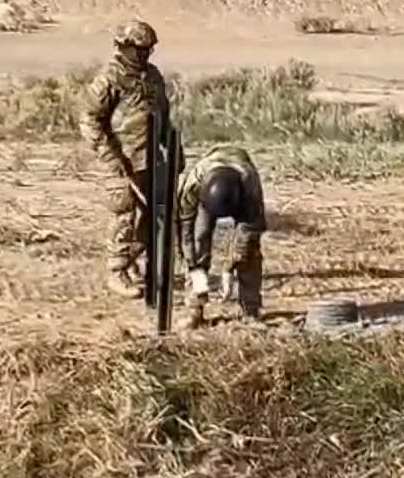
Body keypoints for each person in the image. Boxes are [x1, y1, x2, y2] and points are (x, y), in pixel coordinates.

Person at [79, 19, 181, 299]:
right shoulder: (109, 79)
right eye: (140, 49)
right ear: (124, 47)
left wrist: (173, 150)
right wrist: (110, 157)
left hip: (148, 158)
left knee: (152, 215)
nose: (146, 54)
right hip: (120, 158)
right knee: (124, 212)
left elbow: (163, 117)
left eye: (149, 49)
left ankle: (134, 263)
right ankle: (116, 271)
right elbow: (90, 120)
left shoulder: (153, 76)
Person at [176, 144, 267, 328]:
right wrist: (193, 267)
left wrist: (229, 268)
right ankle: (195, 308)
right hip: (207, 187)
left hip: (241, 189)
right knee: (198, 237)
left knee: (250, 251)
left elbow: (248, 232)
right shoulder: (193, 184)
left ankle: (250, 310)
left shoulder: (250, 185)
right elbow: (184, 230)